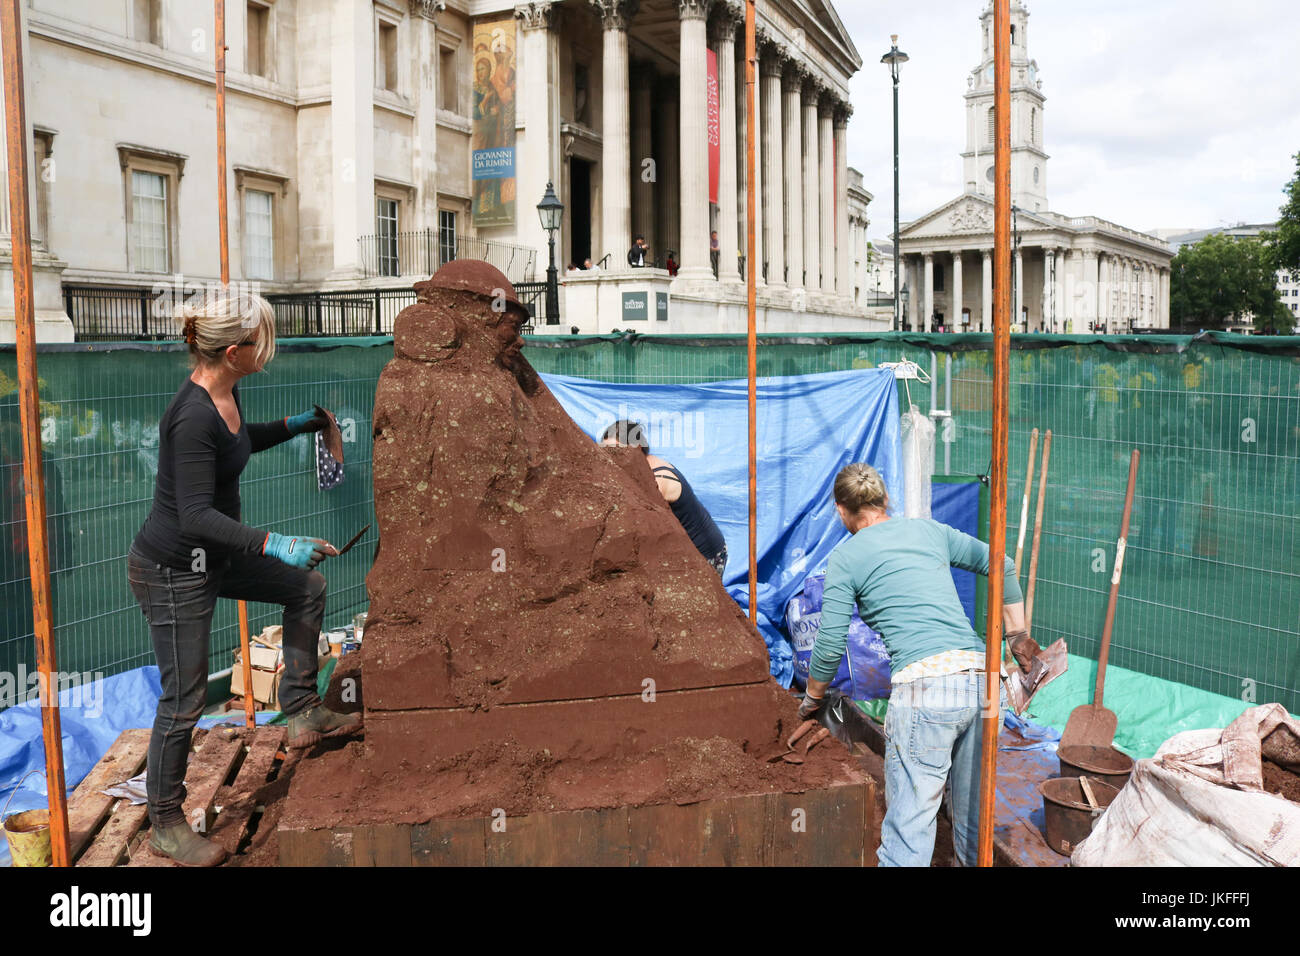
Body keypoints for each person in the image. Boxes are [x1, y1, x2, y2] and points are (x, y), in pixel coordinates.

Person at [126, 290, 361, 866]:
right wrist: (276, 542)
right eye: (262, 342)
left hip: (213, 554)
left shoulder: (224, 393)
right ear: (234, 352)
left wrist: (293, 426)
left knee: (303, 586)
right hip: (174, 569)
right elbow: (195, 516)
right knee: (183, 701)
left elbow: (238, 441)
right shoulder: (190, 417)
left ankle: (302, 704)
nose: (269, 350)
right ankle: (165, 823)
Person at [800, 463, 1041, 867]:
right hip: (983, 684)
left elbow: (828, 644)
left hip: (925, 690)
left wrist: (810, 700)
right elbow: (1004, 565)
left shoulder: (845, 558)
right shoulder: (929, 531)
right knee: (971, 826)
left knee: (909, 833)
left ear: (841, 511)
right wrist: (1017, 637)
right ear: (886, 501)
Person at [599, 419, 726, 575]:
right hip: (681, 550)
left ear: (637, 448)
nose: (611, 457)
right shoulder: (637, 469)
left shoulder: (658, 478)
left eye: (617, 450)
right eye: (607, 451)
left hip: (706, 554)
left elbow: (641, 527)